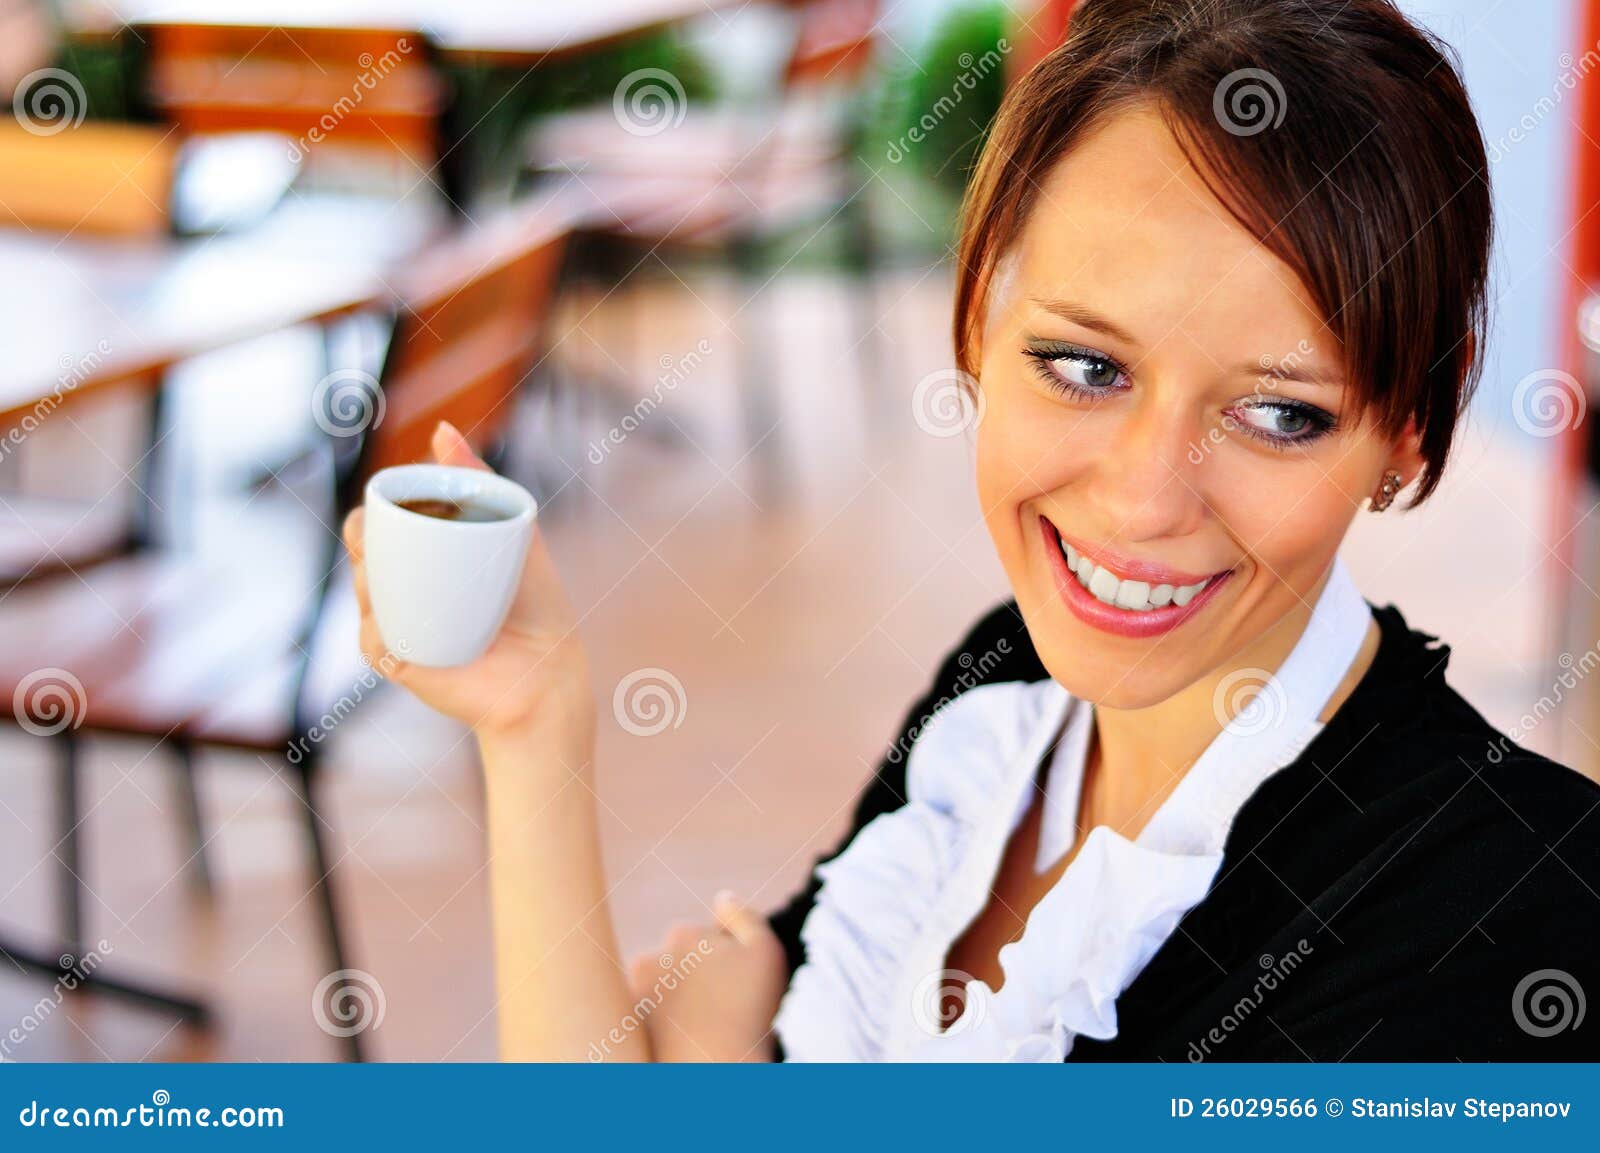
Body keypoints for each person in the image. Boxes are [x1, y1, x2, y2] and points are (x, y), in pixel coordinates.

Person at [342, 0, 1600, 1061]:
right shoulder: (1000, 697)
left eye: (1278, 412)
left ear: (1407, 434)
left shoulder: (1513, 919)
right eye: (1081, 365)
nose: (1145, 499)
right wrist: (533, 726)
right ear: (976, 333)